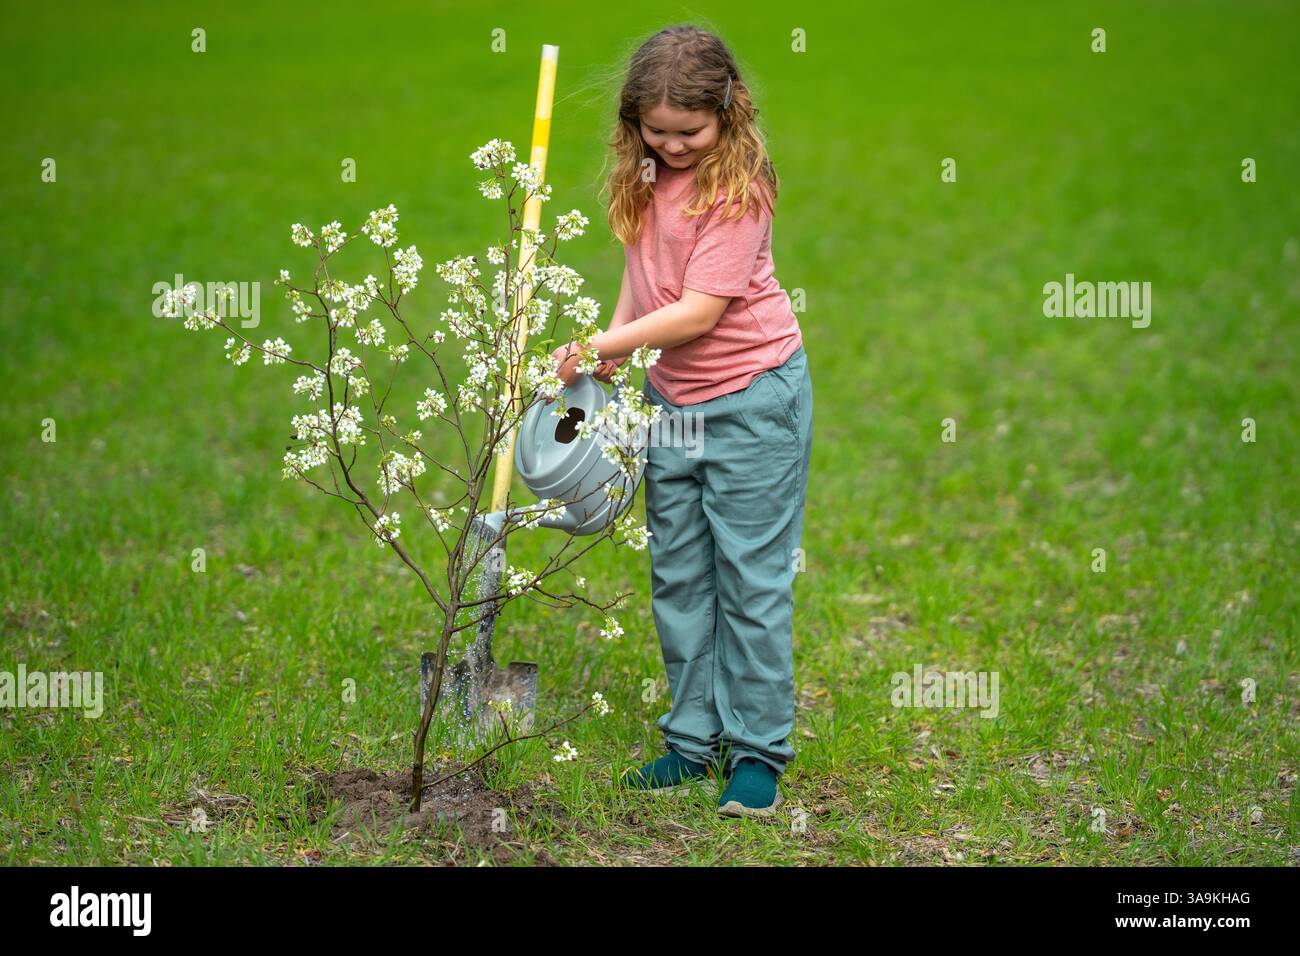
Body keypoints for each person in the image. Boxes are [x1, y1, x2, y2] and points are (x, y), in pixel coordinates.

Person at [550, 25, 812, 818]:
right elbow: (645, 278)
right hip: (674, 405)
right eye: (653, 132)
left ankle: (758, 752)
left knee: (751, 582)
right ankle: (691, 744)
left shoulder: (737, 189)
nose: (672, 147)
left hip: (751, 401)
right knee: (680, 576)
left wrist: (603, 341)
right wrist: (617, 349)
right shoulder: (646, 174)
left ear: (729, 112)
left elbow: (697, 312)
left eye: (688, 133)